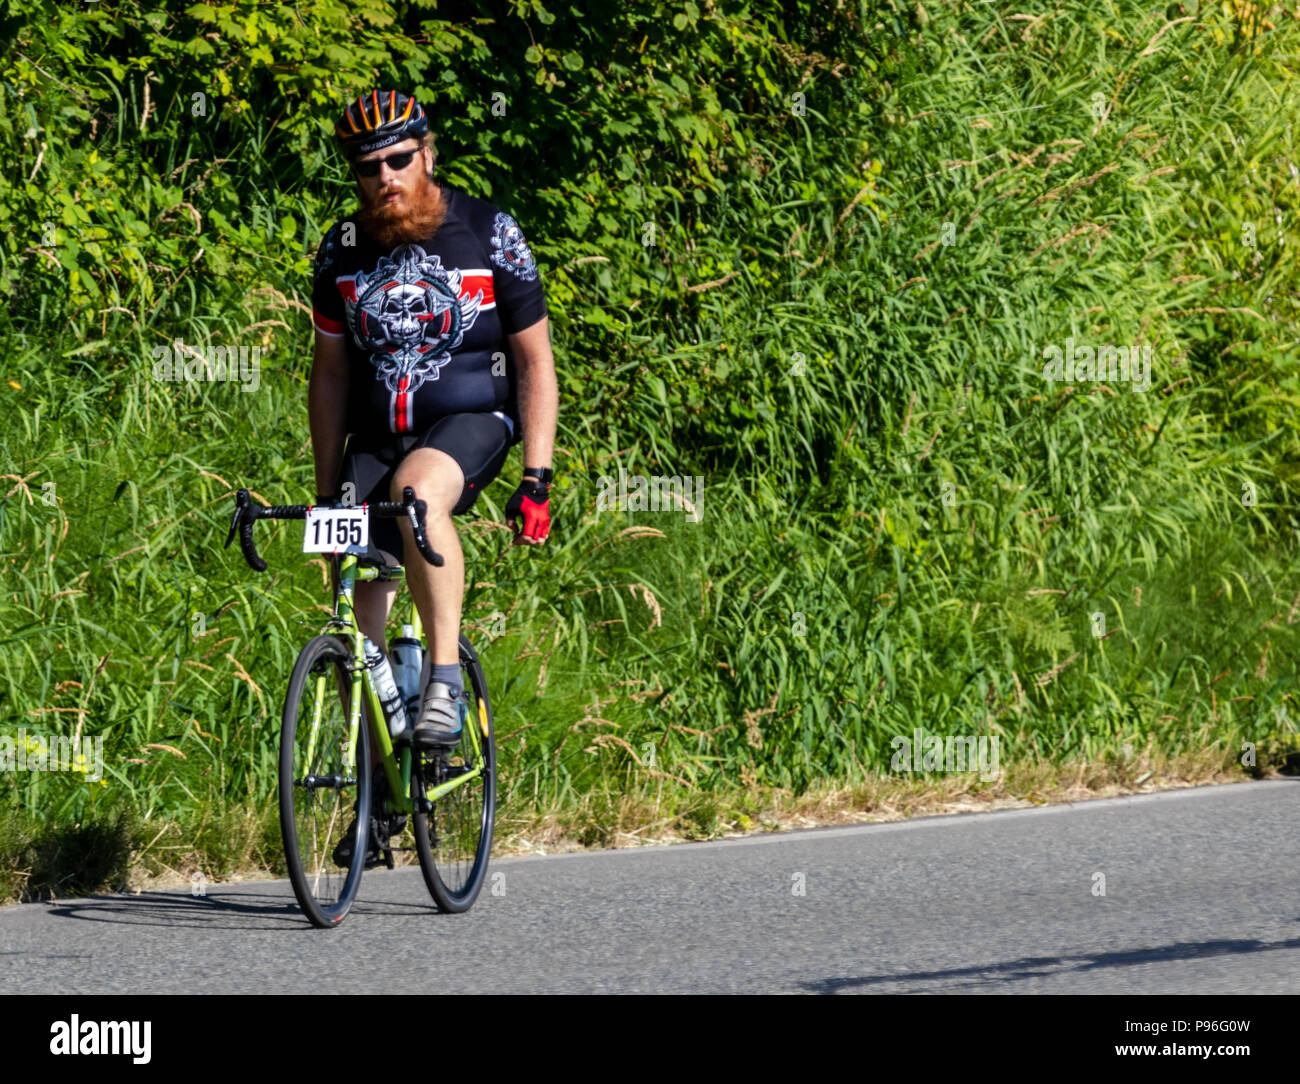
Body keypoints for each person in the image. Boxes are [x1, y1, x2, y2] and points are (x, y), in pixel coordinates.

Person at [309, 90, 558, 860]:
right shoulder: (342, 249)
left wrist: (537, 476)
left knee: (418, 495)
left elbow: (535, 361)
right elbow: (328, 378)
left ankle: (445, 680)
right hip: (375, 434)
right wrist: (326, 495)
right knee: (359, 613)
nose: (383, 177)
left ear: (428, 152)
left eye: (397, 159)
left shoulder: (490, 231)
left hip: (469, 423)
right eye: (366, 167)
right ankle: (379, 794)